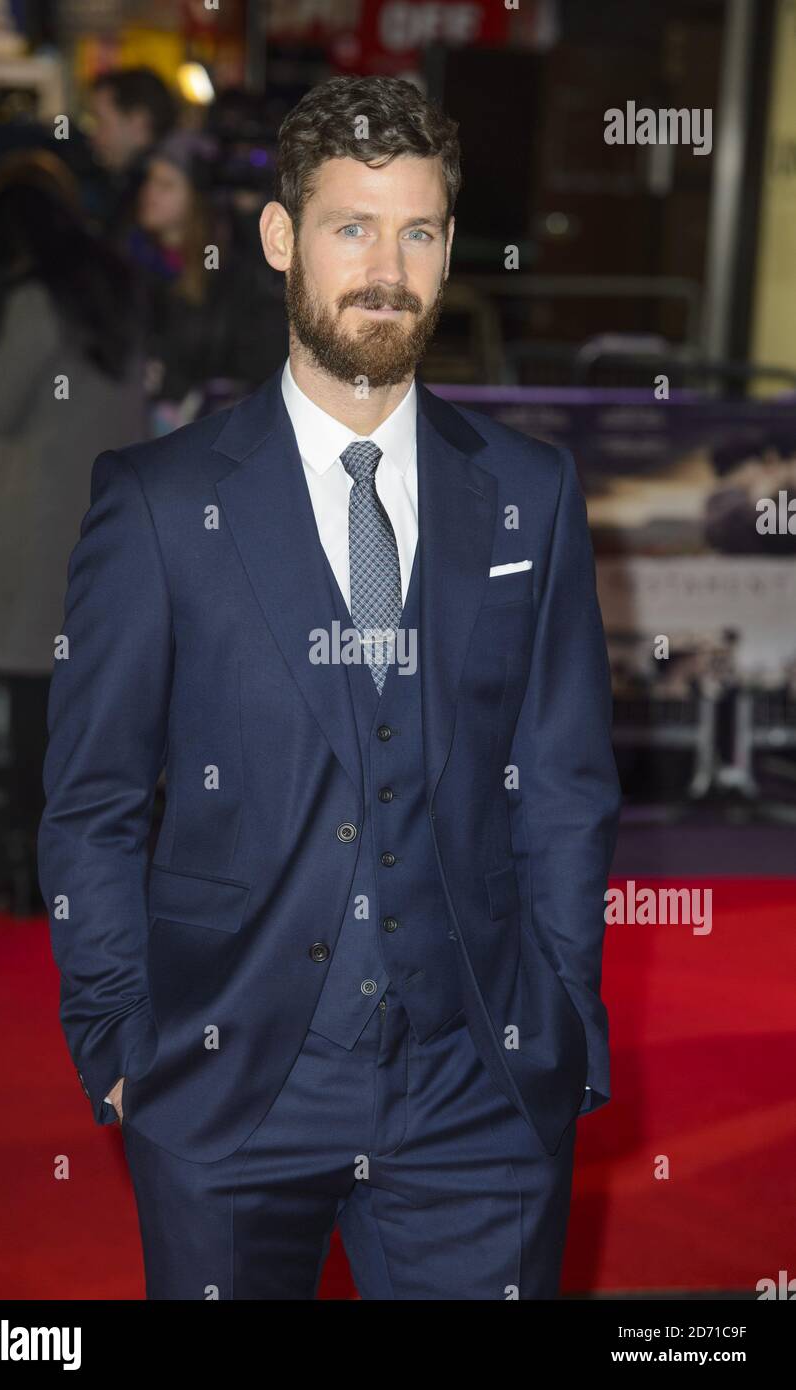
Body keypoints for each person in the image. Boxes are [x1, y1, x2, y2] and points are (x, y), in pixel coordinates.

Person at [38, 76, 621, 1299]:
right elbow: (91, 800)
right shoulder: (155, 503)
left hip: (478, 1094)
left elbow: (564, 782)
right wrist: (118, 1043)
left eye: (416, 230)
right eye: (350, 225)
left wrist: (560, 1016)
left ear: (450, 246)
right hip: (226, 1085)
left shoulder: (529, 494)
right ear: (276, 238)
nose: (385, 267)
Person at [0, 153, 146, 914]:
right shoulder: (111, 288)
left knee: (35, 717)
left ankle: (27, 869)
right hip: (97, 529)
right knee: (77, 717)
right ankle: (59, 869)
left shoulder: (32, 304)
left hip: (31, 541)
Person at [129, 130, 231, 431]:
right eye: (150, 180)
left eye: (167, 185)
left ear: (196, 197)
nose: (150, 193)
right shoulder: (131, 258)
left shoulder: (223, 270)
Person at [86, 67, 177, 246]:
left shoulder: (149, 204)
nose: (94, 138)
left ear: (139, 124)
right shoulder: (122, 187)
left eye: (101, 122)